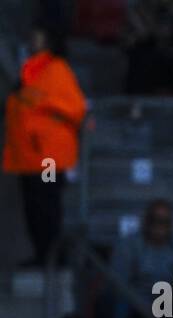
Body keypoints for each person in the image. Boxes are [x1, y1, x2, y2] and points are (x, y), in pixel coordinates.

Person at [4, 24, 85, 267]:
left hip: (49, 157)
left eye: (38, 37)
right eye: (31, 37)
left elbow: (76, 108)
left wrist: (41, 103)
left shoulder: (57, 68)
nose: (33, 42)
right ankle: (42, 255)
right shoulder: (30, 70)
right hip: (28, 155)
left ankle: (53, 257)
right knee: (32, 206)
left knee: (47, 204)